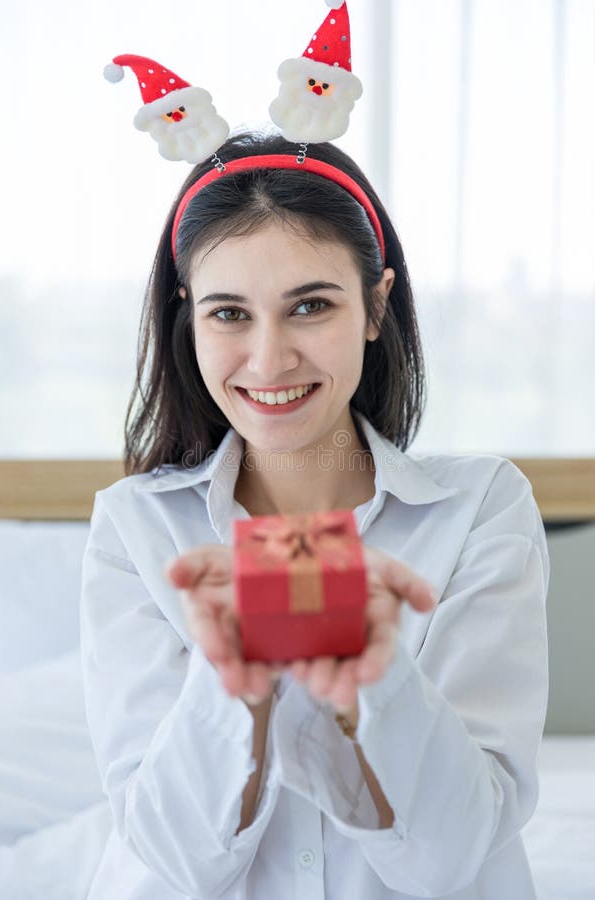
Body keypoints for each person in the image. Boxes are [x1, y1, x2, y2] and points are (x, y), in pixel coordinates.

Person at [80, 130, 550, 900]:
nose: (269, 361)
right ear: (188, 319)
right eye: (229, 314)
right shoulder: (136, 529)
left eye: (309, 306)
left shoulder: (480, 508)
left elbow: (450, 859)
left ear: (375, 306)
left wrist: (378, 670)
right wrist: (235, 681)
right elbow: (181, 860)